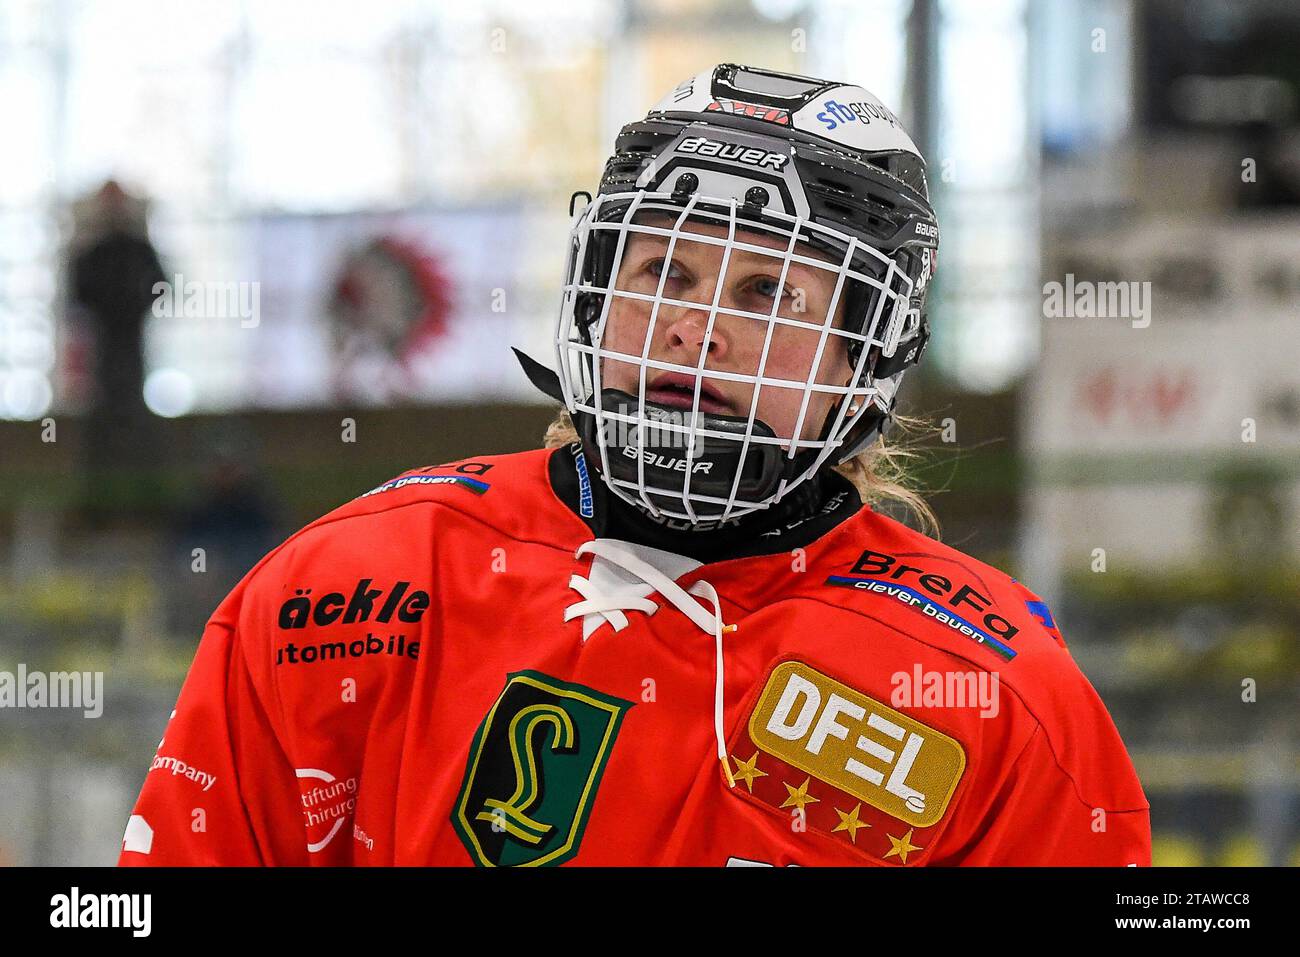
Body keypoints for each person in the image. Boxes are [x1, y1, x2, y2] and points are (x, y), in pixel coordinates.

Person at [119, 64, 1149, 867]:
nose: (698, 330)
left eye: (766, 295)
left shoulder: (991, 697)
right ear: (594, 301)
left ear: (865, 355)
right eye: (666, 271)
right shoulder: (350, 591)